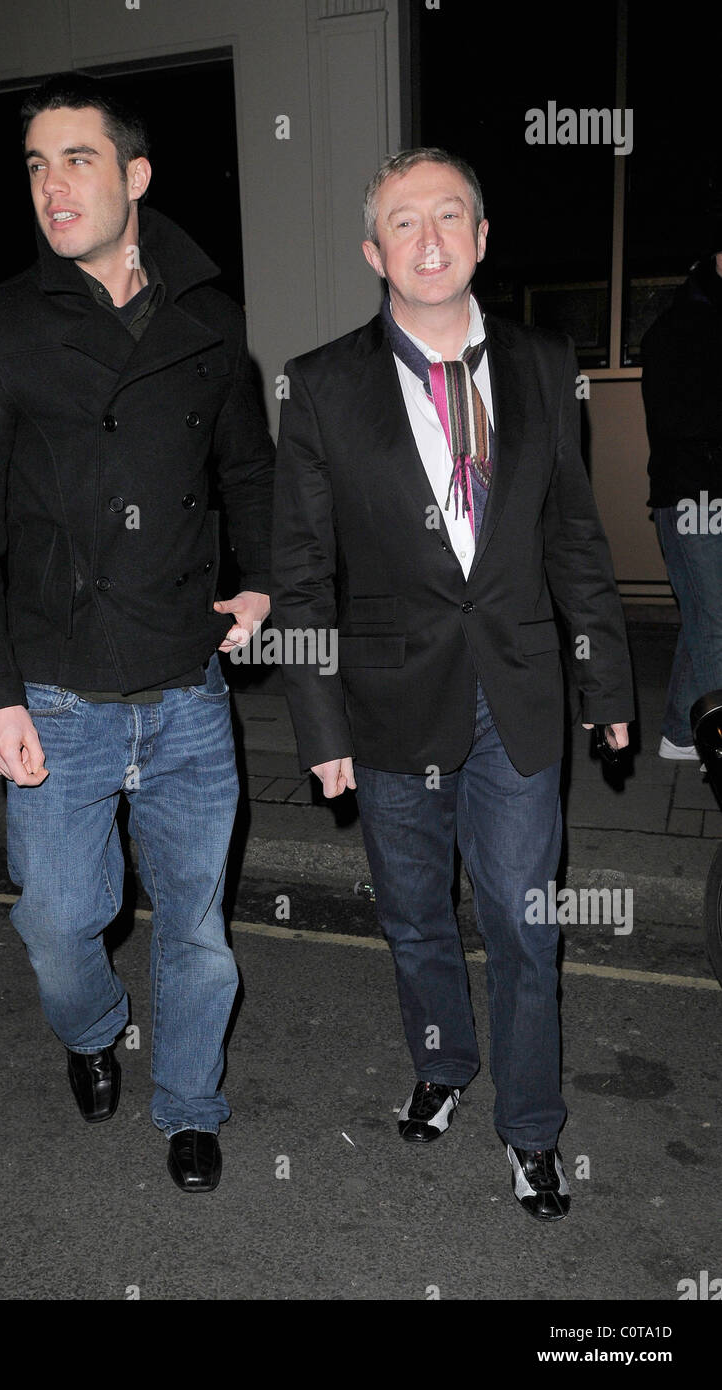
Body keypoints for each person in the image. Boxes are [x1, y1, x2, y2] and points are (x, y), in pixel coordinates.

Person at [271, 148, 634, 1221]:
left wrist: (604, 679)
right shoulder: (322, 384)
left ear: (478, 238)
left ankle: (530, 1129)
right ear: (372, 251)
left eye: (448, 218)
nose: (427, 239)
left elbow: (574, 535)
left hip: (517, 693)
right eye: (402, 223)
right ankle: (443, 1060)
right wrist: (317, 719)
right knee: (415, 913)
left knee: (524, 924)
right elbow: (299, 571)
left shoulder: (542, 362)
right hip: (386, 704)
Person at [0, 72, 274, 1193]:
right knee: (59, 925)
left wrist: (263, 587)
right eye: (33, 164)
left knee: (200, 931)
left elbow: (248, 476)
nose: (50, 185)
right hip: (62, 696)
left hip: (183, 692)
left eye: (76, 158)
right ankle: (91, 1034)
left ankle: (189, 1101)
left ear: (134, 176)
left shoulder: (210, 323)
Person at [641, 234, 722, 760]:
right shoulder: (681, 325)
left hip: (704, 493)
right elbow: (677, 422)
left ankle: (680, 731)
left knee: (704, 618)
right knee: (716, 623)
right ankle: (717, 741)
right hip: (692, 499)